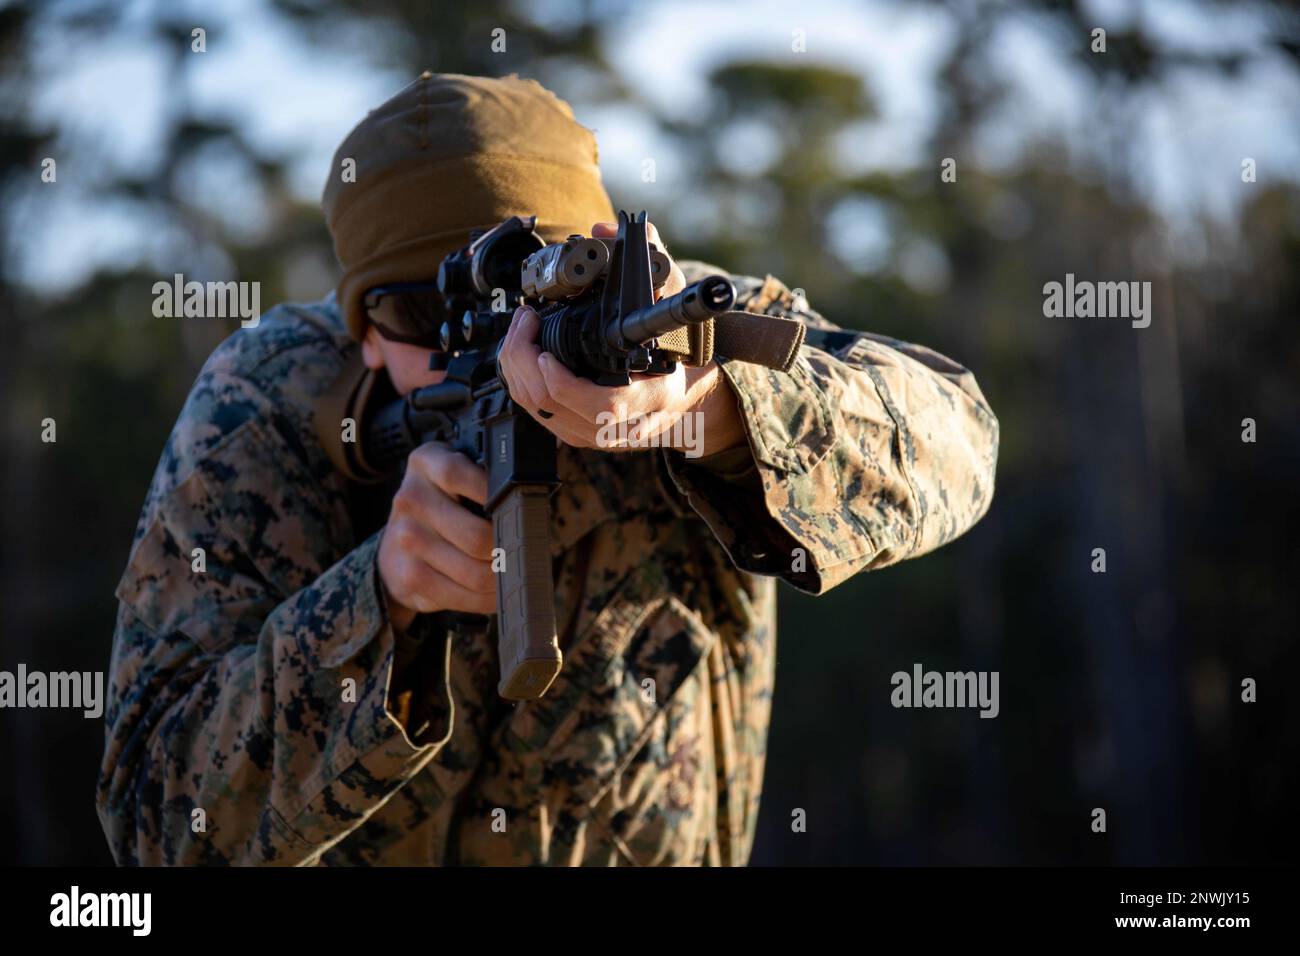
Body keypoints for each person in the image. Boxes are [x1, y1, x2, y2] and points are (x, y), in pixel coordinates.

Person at [96, 71, 999, 865]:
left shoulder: (688, 331)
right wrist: (373, 605)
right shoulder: (267, 405)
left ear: (599, 252)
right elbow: (157, 827)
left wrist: (718, 414)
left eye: (534, 290)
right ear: (363, 333)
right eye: (427, 313)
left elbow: (963, 446)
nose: (506, 350)